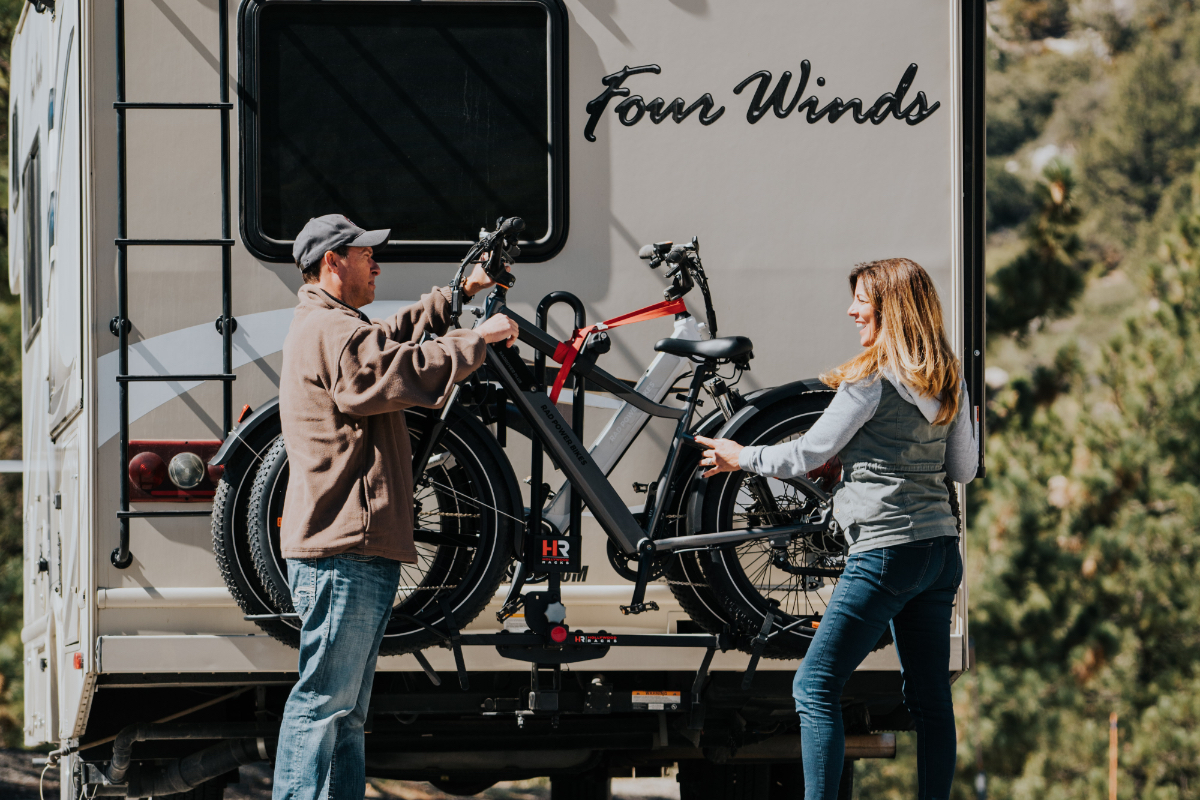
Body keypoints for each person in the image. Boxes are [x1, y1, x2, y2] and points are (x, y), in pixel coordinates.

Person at [696, 258, 977, 800]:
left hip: (886, 554)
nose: (851, 310)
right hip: (939, 554)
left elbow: (807, 451)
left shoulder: (869, 379)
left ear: (891, 308)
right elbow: (962, 470)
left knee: (815, 686)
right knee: (929, 701)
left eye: (862, 301)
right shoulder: (949, 377)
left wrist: (740, 455)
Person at [272, 215, 519, 800]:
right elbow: (385, 371)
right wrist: (474, 342)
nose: (377, 265)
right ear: (333, 262)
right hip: (343, 550)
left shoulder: (334, 325)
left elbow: (387, 339)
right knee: (323, 707)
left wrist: (457, 295)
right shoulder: (328, 330)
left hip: (355, 549)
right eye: (366, 255)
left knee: (345, 716)